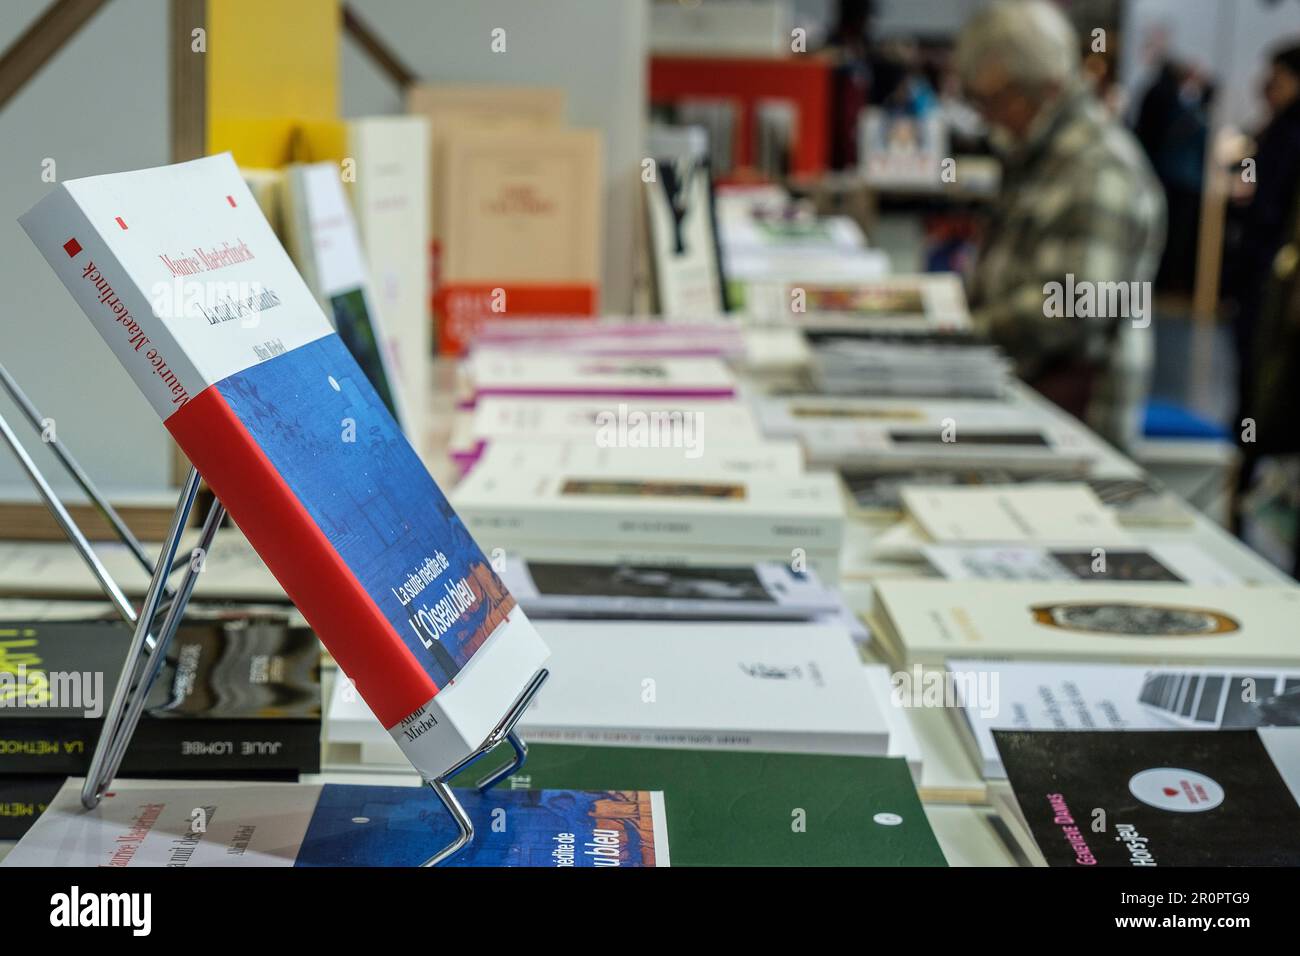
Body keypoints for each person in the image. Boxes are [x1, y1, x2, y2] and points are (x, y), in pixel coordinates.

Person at [956, 1, 1166, 448]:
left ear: (1044, 88)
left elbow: (1076, 307)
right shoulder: (1043, 154)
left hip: (1072, 432)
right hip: (1028, 409)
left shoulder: (1097, 168)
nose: (989, 117)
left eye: (996, 100)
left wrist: (964, 335)